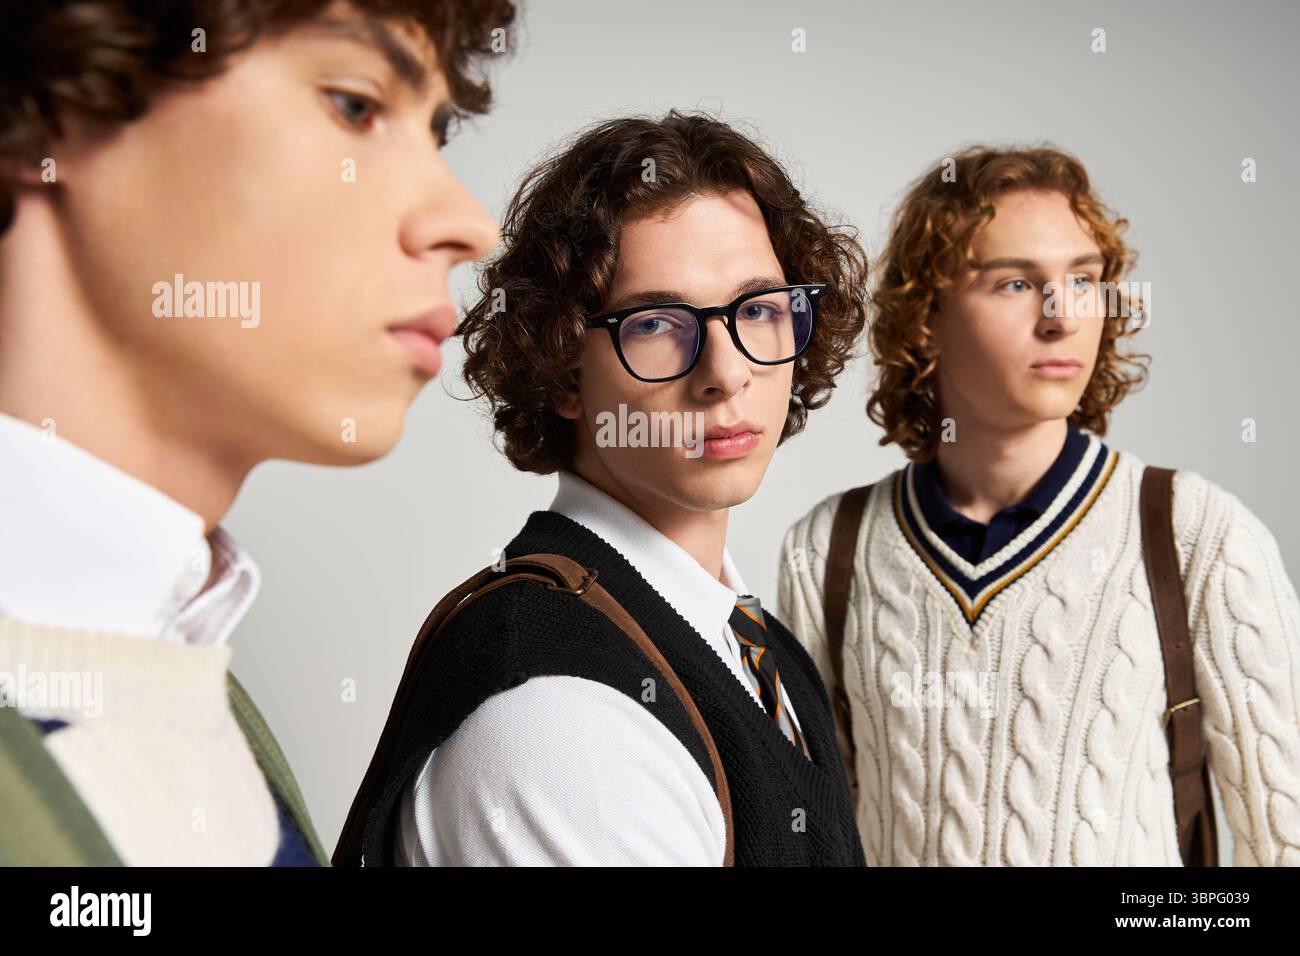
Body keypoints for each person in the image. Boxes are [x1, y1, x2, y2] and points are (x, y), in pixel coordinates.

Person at [0, 0, 513, 865]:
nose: (469, 224)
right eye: (355, 104)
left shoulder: (202, 699)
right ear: (57, 104)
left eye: (436, 133)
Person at [340, 110, 870, 865]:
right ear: (562, 367)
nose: (726, 372)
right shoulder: (555, 715)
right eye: (658, 323)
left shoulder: (758, 647)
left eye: (756, 310)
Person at [777, 145, 1300, 865]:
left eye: (1083, 279)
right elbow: (812, 846)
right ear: (926, 315)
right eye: (1016, 283)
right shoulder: (825, 552)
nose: (1061, 317)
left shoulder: (1197, 536)